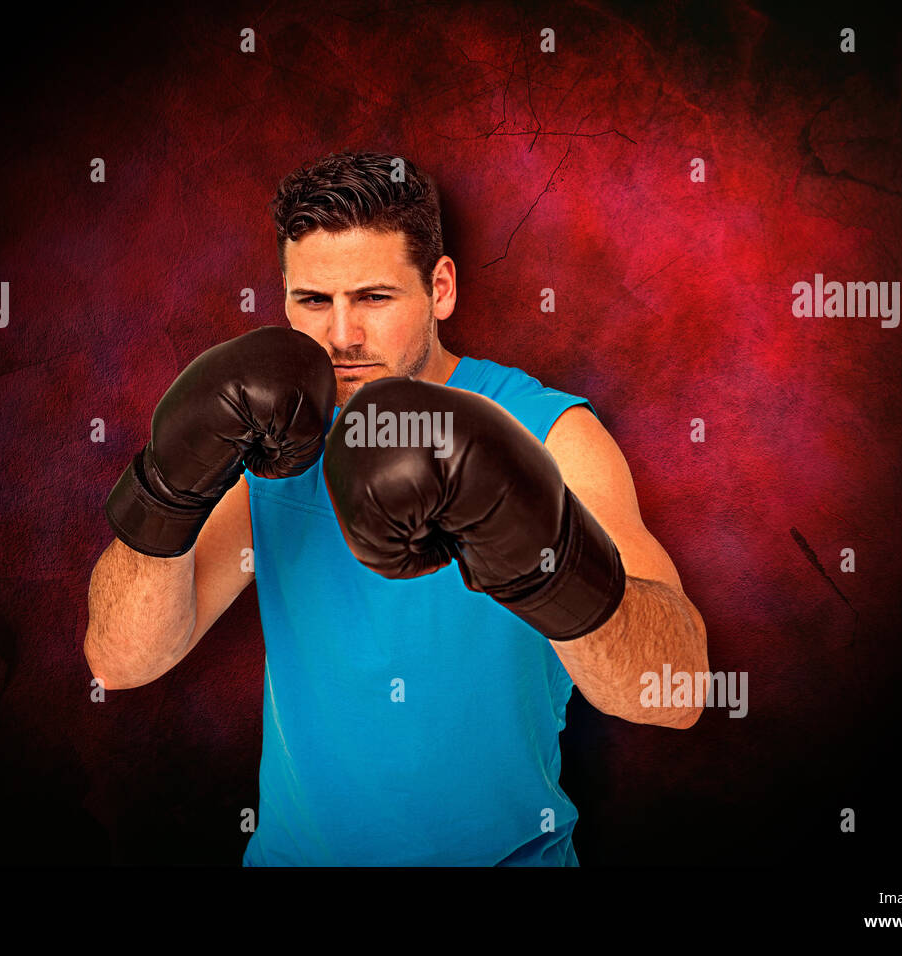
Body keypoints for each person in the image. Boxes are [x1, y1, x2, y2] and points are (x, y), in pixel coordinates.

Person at [85, 151, 708, 865]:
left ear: (440, 288)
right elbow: (120, 662)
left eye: (374, 298)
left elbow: (676, 693)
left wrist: (545, 559)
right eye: (313, 300)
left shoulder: (548, 434)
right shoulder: (267, 440)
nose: (342, 335)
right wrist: (168, 485)